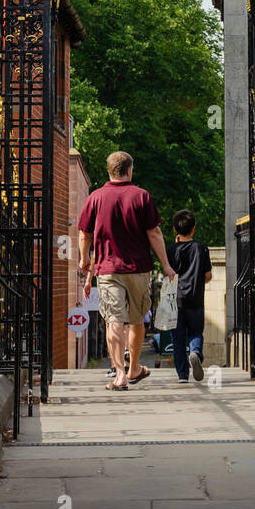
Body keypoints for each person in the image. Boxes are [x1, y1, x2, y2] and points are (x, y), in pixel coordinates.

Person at [78, 150, 175, 391]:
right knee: (136, 321)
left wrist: (83, 260)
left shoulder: (95, 198)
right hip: (139, 269)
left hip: (108, 269)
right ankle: (134, 368)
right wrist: (165, 264)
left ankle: (120, 373)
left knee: (114, 320)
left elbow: (85, 234)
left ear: (109, 171)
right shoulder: (142, 196)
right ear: (130, 170)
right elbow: (154, 233)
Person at [166, 209, 212, 383]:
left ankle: (182, 375)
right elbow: (208, 275)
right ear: (194, 228)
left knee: (177, 339)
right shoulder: (201, 248)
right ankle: (195, 352)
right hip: (195, 298)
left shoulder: (170, 250)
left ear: (174, 229)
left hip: (174, 300)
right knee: (195, 331)